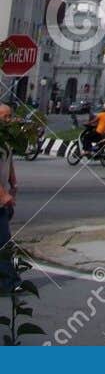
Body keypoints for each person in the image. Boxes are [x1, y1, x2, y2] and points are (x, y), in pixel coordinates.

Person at [0, 104, 17, 291]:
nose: (9, 120)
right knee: (4, 241)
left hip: (3, 201)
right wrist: (4, 195)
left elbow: (9, 161)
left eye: (10, 116)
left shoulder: (6, 139)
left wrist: (14, 183)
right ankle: (8, 282)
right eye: (5, 117)